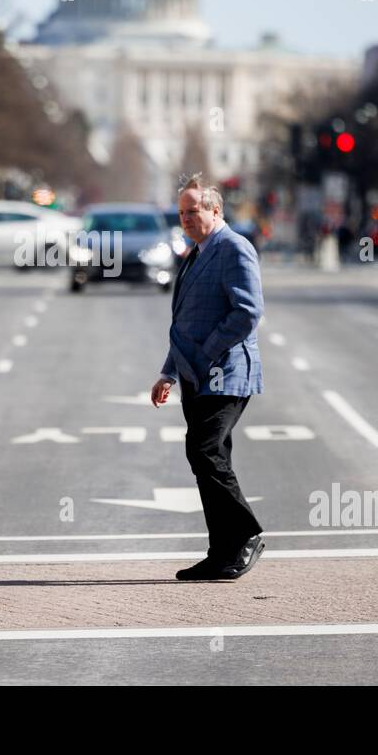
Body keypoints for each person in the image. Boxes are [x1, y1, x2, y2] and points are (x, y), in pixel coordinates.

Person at [150, 174, 266, 580]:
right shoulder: (196, 253)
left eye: (193, 210)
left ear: (216, 210)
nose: (186, 218)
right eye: (181, 212)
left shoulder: (234, 248)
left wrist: (205, 353)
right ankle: (222, 552)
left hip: (226, 372)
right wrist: (168, 371)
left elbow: (248, 313)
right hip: (194, 375)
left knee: (205, 451)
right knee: (207, 457)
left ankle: (246, 535)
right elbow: (185, 323)